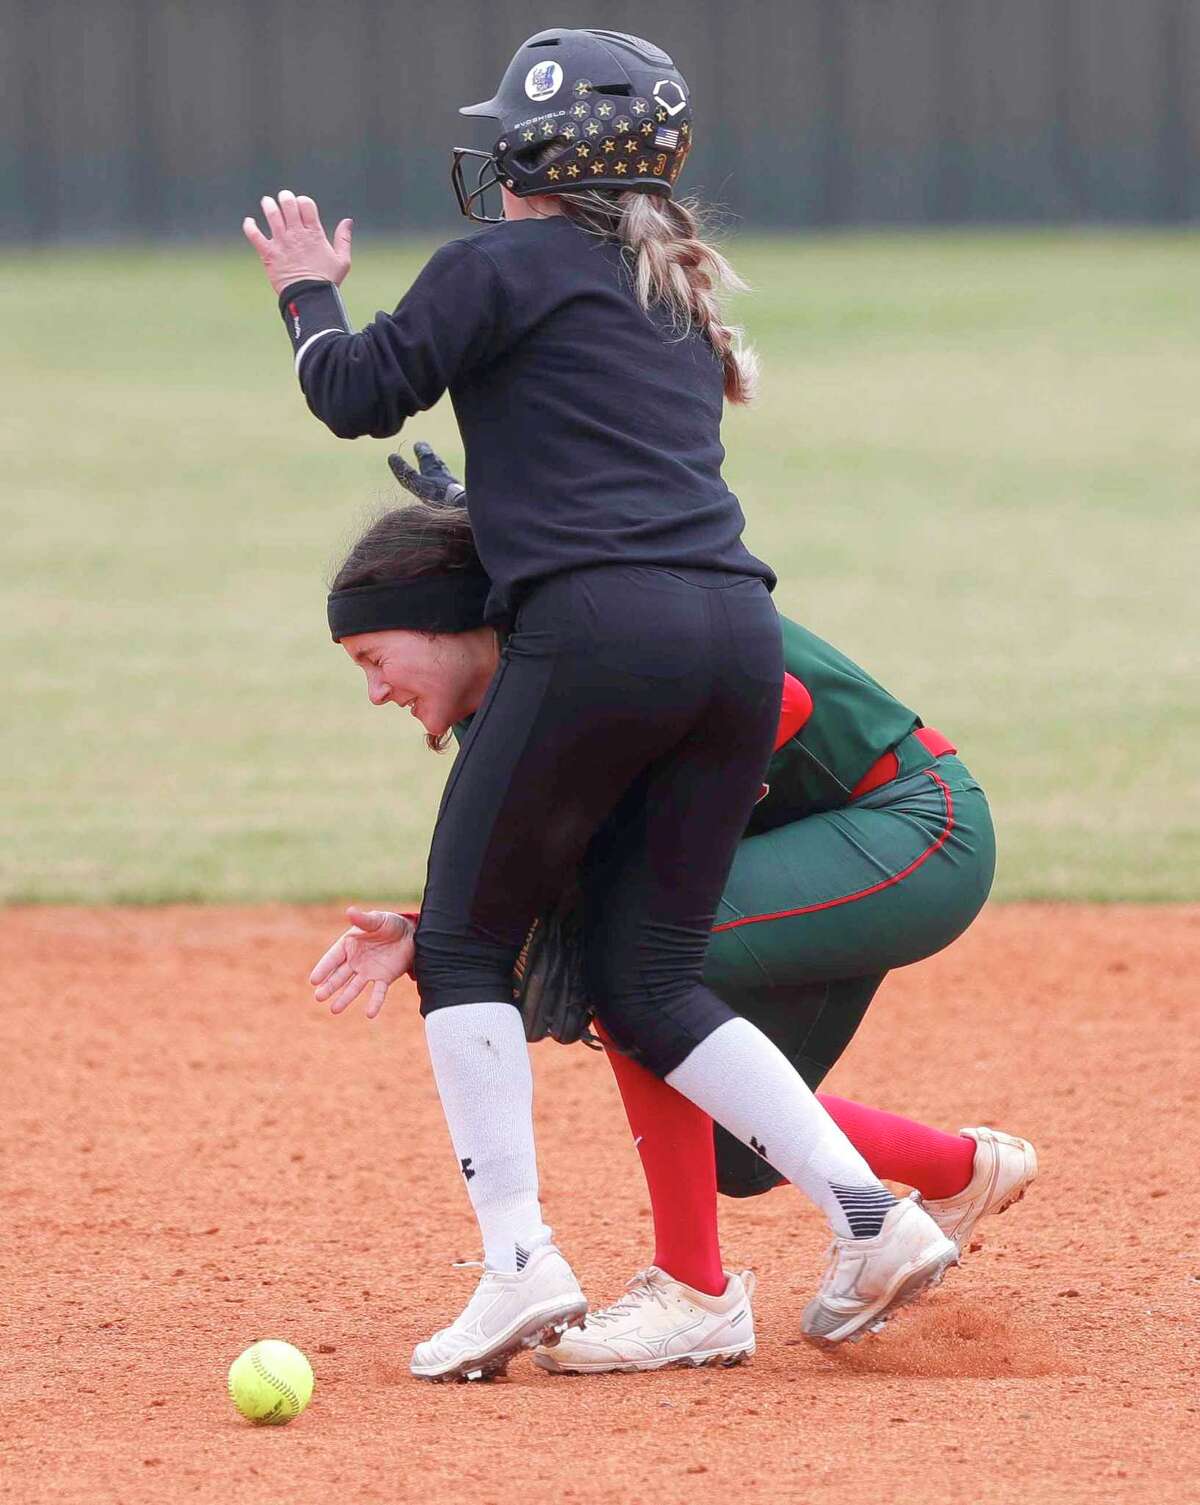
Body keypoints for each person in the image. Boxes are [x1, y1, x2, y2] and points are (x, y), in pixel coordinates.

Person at [246, 27, 958, 1383]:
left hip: (597, 632)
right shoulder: (673, 295)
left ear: (527, 157)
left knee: (461, 946)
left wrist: (306, 293)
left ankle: (521, 1261)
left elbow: (354, 395)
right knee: (647, 977)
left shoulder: (493, 264)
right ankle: (871, 1215)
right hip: (737, 640)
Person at [313, 448, 1038, 1374]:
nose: (375, 690)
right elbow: (521, 867)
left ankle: (694, 1291)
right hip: (822, 840)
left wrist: (625, 867)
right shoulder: (513, 700)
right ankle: (955, 1171)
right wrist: (428, 931)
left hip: (911, 822)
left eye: (375, 657)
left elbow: (776, 700)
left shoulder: (588, 634)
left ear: (445, 618)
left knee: (634, 966)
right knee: (738, 1140)